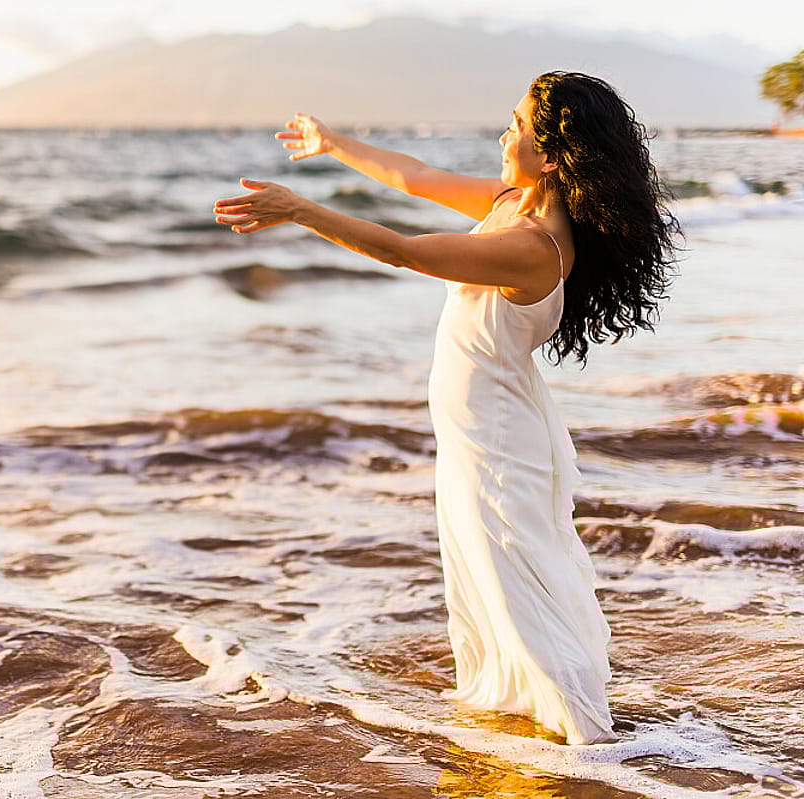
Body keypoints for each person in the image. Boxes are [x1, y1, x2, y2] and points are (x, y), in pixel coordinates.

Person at [213, 71, 680, 745]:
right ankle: (530, 723)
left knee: (514, 581)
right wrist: (330, 142)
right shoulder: (511, 202)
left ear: (552, 156)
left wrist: (301, 210)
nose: (503, 136)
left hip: (500, 439)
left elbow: (403, 251)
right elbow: (415, 176)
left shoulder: (535, 246)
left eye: (516, 127)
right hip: (480, 431)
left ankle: (588, 745)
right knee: (489, 580)